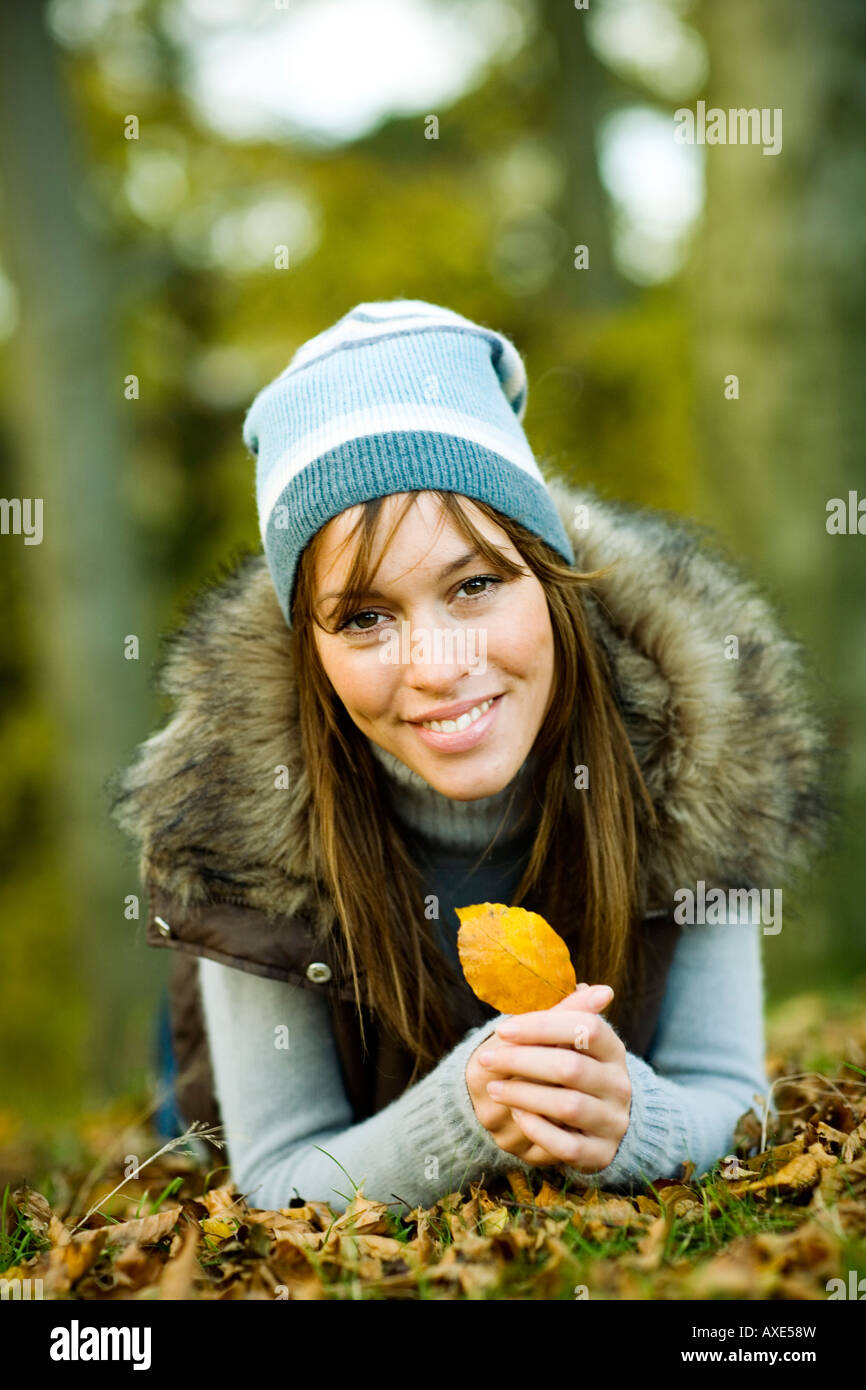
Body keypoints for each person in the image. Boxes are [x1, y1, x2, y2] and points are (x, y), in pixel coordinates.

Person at [110, 298, 829, 1215]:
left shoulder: (698, 760)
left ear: (549, 578)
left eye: (476, 584)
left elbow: (731, 1095)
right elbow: (279, 1175)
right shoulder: (241, 824)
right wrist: (469, 1108)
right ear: (309, 652)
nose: (440, 668)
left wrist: (635, 1121)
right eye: (366, 618)